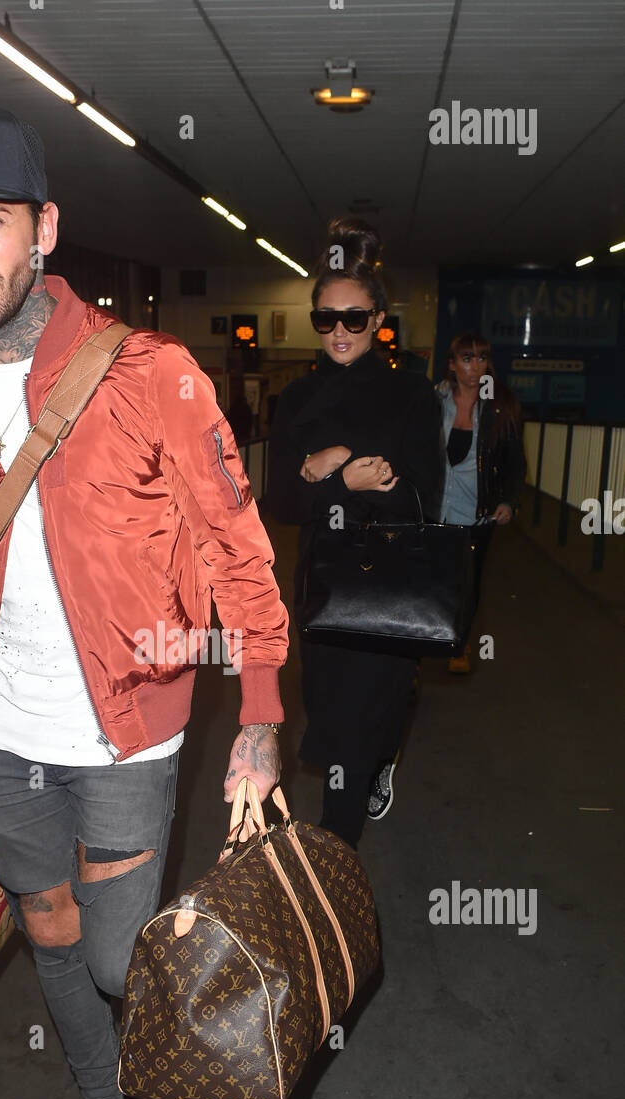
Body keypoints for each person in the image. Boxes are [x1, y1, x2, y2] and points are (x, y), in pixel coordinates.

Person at [0, 105, 289, 1099]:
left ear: (43, 228)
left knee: (114, 961)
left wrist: (256, 709)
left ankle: (151, 1048)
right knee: (47, 930)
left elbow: (236, 548)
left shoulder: (150, 373)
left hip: (130, 727)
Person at [266, 218, 444, 848]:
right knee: (328, 710)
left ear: (378, 319)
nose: (339, 332)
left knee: (361, 722)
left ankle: (334, 854)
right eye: (325, 319)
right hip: (323, 584)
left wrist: (342, 464)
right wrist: (345, 480)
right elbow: (282, 500)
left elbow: (425, 496)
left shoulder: (413, 397)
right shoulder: (295, 399)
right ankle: (366, 769)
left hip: (389, 582)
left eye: (354, 318)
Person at [435, 332, 527, 672]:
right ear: (452, 365)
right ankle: (415, 652)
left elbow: (516, 461)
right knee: (428, 580)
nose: (476, 367)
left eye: (482, 358)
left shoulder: (501, 406)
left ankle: (460, 644)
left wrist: (508, 500)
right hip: (435, 509)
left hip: (477, 512)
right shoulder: (436, 400)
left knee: (467, 583)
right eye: (467, 358)